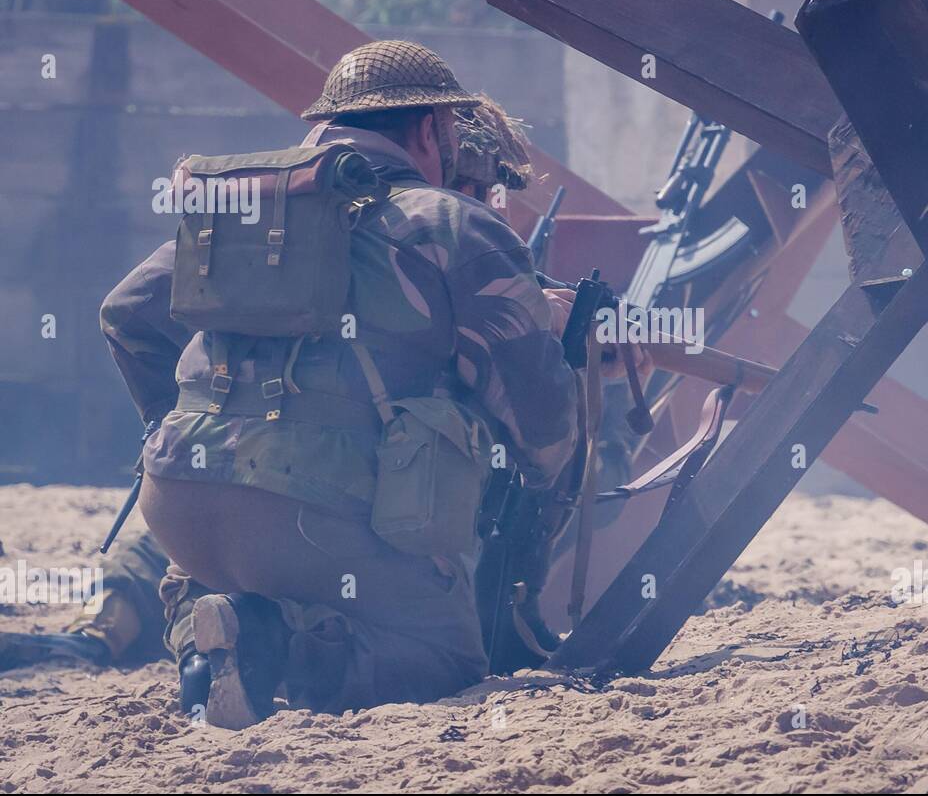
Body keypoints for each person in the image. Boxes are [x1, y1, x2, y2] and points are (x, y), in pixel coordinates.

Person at [99, 40, 580, 728]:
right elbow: (542, 418)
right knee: (444, 656)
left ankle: (209, 637)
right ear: (430, 129)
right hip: (315, 515)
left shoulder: (247, 210)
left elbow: (124, 315)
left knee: (231, 570)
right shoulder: (450, 224)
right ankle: (272, 641)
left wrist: (170, 428)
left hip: (178, 508)